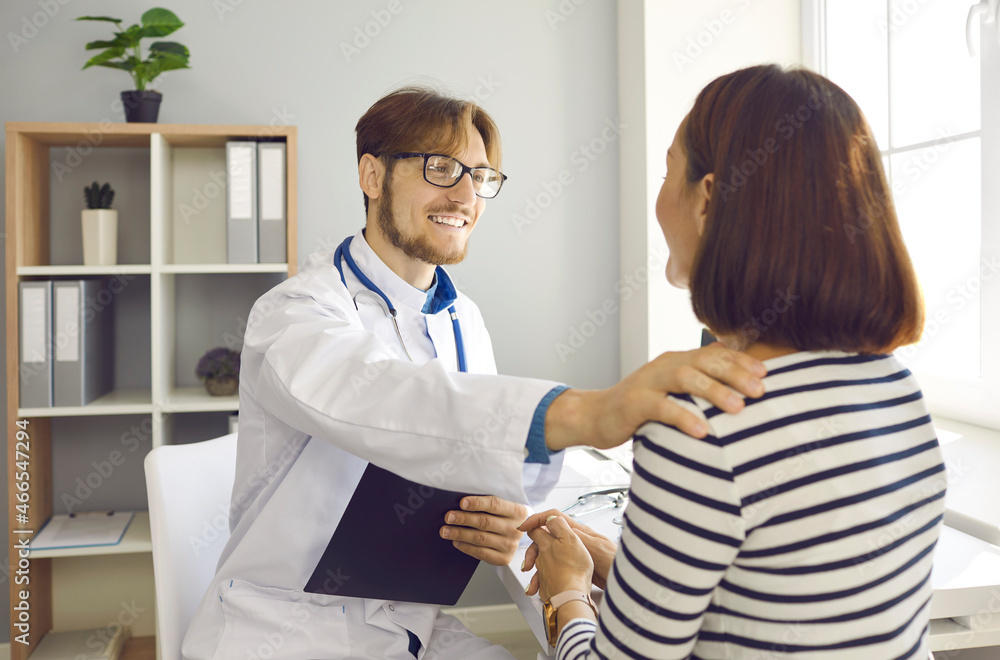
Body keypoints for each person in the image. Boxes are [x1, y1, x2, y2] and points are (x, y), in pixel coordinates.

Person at [181, 86, 767, 660]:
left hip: (412, 622)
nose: (466, 194)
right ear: (372, 176)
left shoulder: (462, 318)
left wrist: (502, 517)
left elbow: (471, 448)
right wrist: (589, 412)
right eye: (441, 167)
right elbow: (388, 401)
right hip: (287, 627)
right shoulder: (294, 314)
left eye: (481, 176)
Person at [521, 65, 946, 659]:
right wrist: (627, 574)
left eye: (669, 172)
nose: (659, 199)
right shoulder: (892, 387)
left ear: (708, 199)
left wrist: (567, 594)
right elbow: (773, 611)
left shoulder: (702, 423)